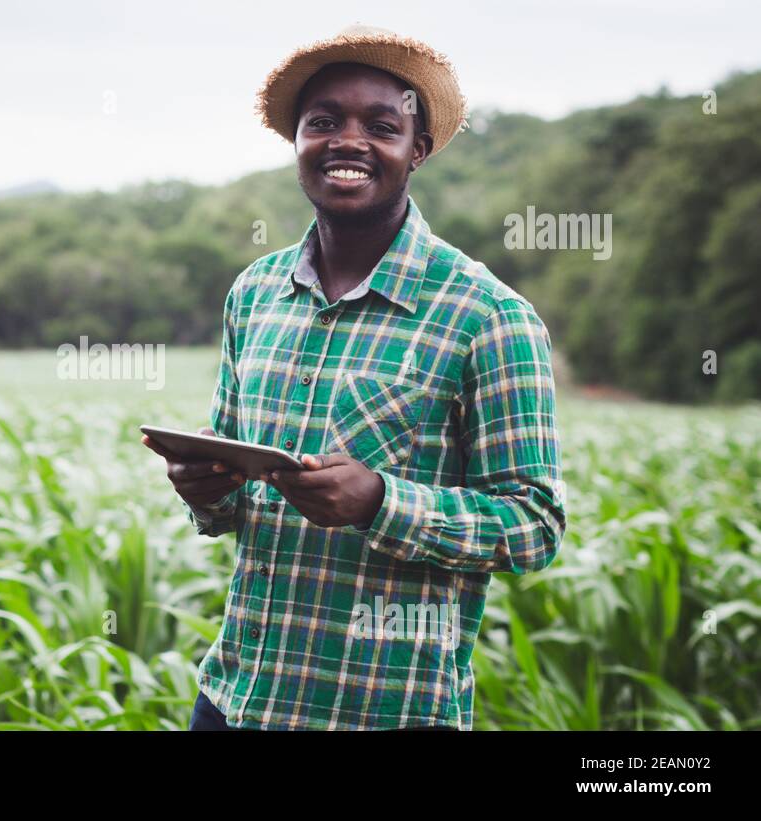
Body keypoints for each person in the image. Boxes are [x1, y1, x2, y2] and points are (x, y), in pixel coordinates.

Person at [142, 24, 566, 731]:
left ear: (417, 150)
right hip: (236, 698)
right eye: (323, 122)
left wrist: (379, 501)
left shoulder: (487, 316)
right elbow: (231, 501)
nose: (348, 141)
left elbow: (533, 526)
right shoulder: (255, 293)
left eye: (381, 125)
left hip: (385, 712)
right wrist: (206, 490)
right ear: (298, 143)